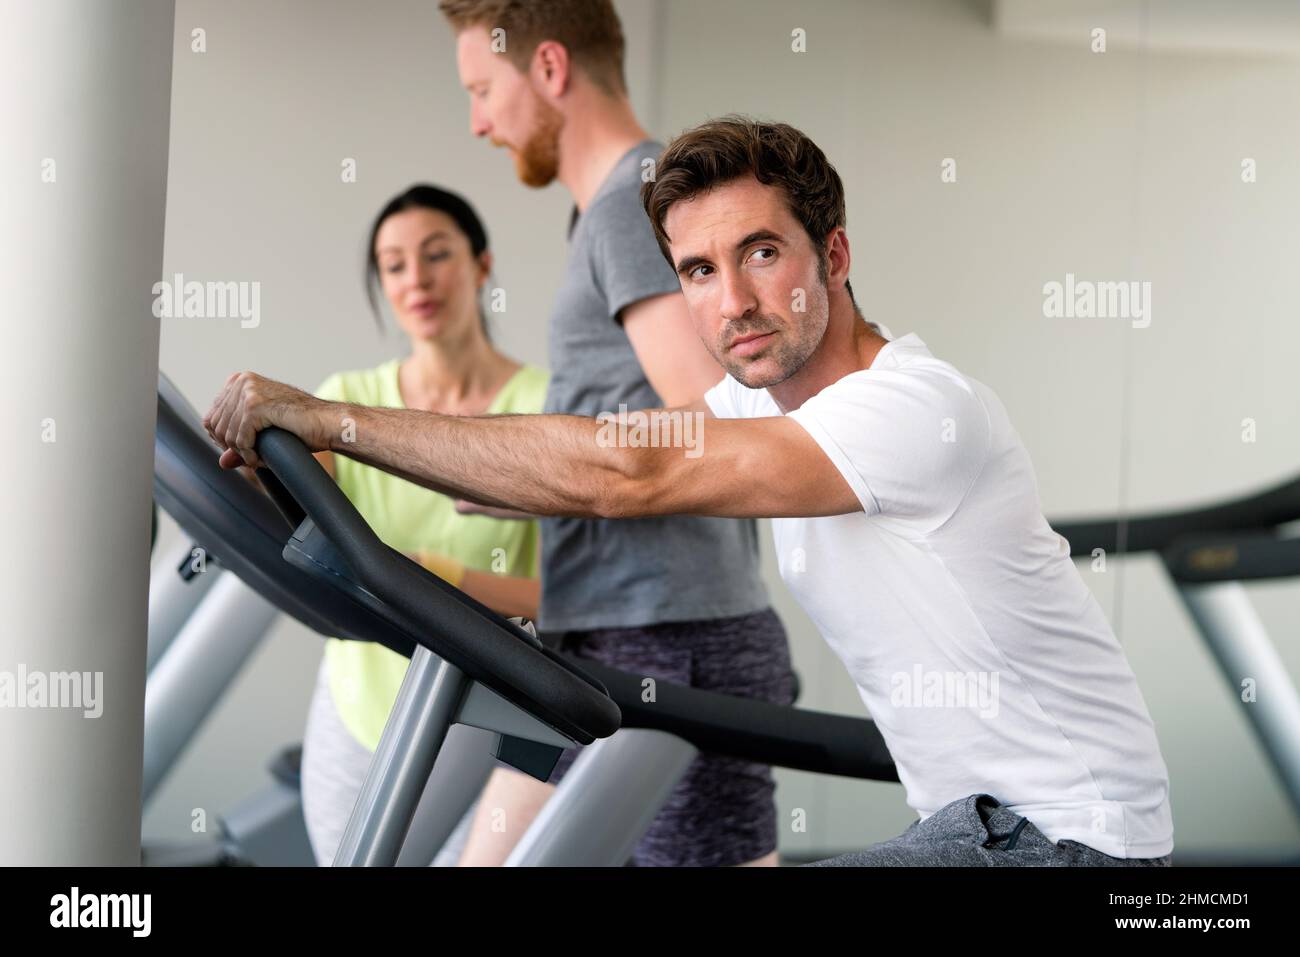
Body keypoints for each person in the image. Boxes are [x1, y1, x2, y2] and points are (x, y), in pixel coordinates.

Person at [205, 116, 1175, 866]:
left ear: (832, 258)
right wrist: (410, 466)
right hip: (974, 828)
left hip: (1069, 841)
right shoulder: (757, 410)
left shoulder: (912, 410)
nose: (733, 302)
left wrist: (329, 421)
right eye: (699, 271)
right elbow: (605, 452)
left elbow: (630, 470)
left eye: (761, 253)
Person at [432, 0, 793, 867]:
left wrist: (543, 468)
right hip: (614, 627)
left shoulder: (632, 206)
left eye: (485, 88)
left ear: (549, 68)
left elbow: (716, 418)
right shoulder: (613, 210)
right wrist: (515, 473)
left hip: (663, 633)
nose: (479, 120)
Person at [297, 183, 549, 865]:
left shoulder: (545, 407)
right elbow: (296, 527)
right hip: (356, 706)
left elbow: (568, 600)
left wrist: (445, 582)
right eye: (395, 264)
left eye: (437, 255)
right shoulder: (345, 401)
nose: (417, 279)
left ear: (482, 265)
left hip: (482, 725)